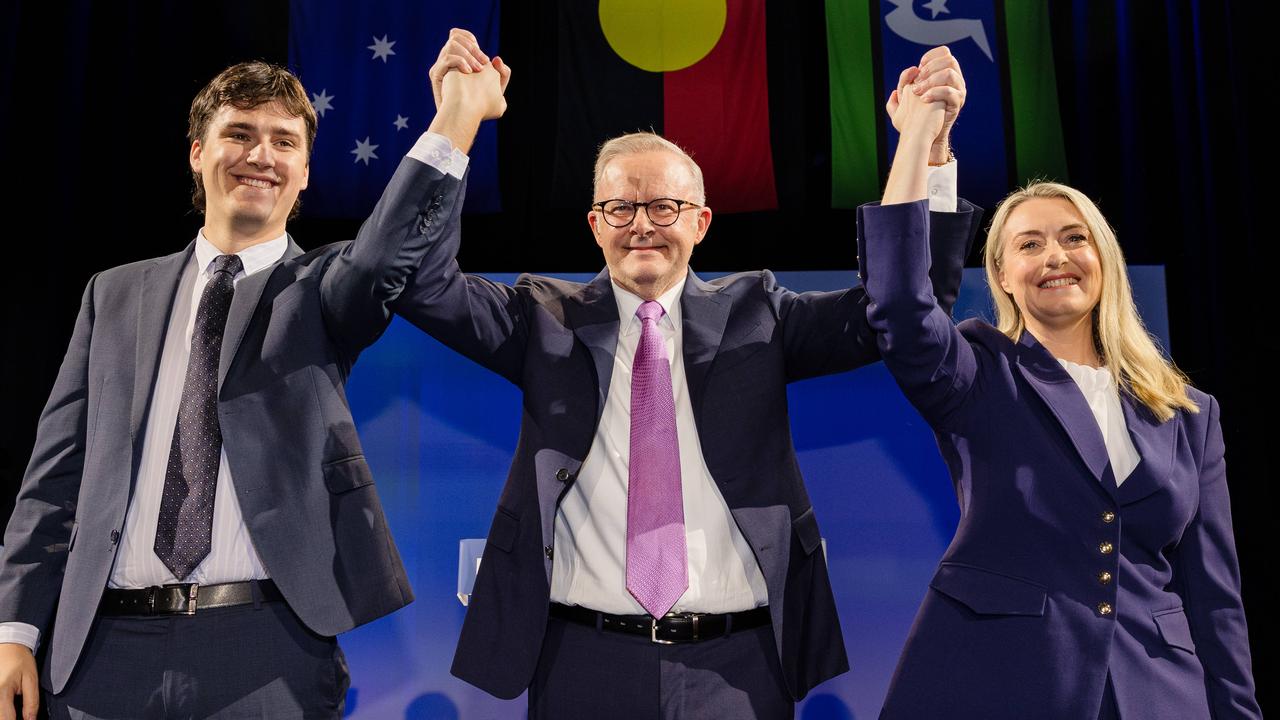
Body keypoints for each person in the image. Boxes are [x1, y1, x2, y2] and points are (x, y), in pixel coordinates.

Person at [385, 30, 980, 719]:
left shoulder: (759, 312)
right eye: (621, 208)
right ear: (594, 224)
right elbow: (417, 280)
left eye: (664, 208)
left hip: (738, 667)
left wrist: (928, 152)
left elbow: (907, 308)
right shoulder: (539, 317)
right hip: (580, 661)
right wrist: (455, 120)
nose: (642, 224)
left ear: (700, 223)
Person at [0, 50, 507, 719]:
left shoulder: (323, 290)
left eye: (284, 142)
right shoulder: (113, 294)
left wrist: (457, 117)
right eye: (239, 133)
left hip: (264, 654)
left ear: (303, 175)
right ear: (196, 153)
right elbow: (55, 477)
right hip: (100, 654)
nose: (260, 154)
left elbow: (386, 255)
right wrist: (14, 632)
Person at [857, 65, 1261, 719]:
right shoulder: (980, 372)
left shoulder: (1189, 413)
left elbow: (1214, 597)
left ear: (1105, 261)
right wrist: (924, 143)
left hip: (1159, 695)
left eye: (1076, 238)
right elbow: (903, 301)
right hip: (1002, 684)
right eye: (1030, 244)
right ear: (1004, 275)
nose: (1056, 255)